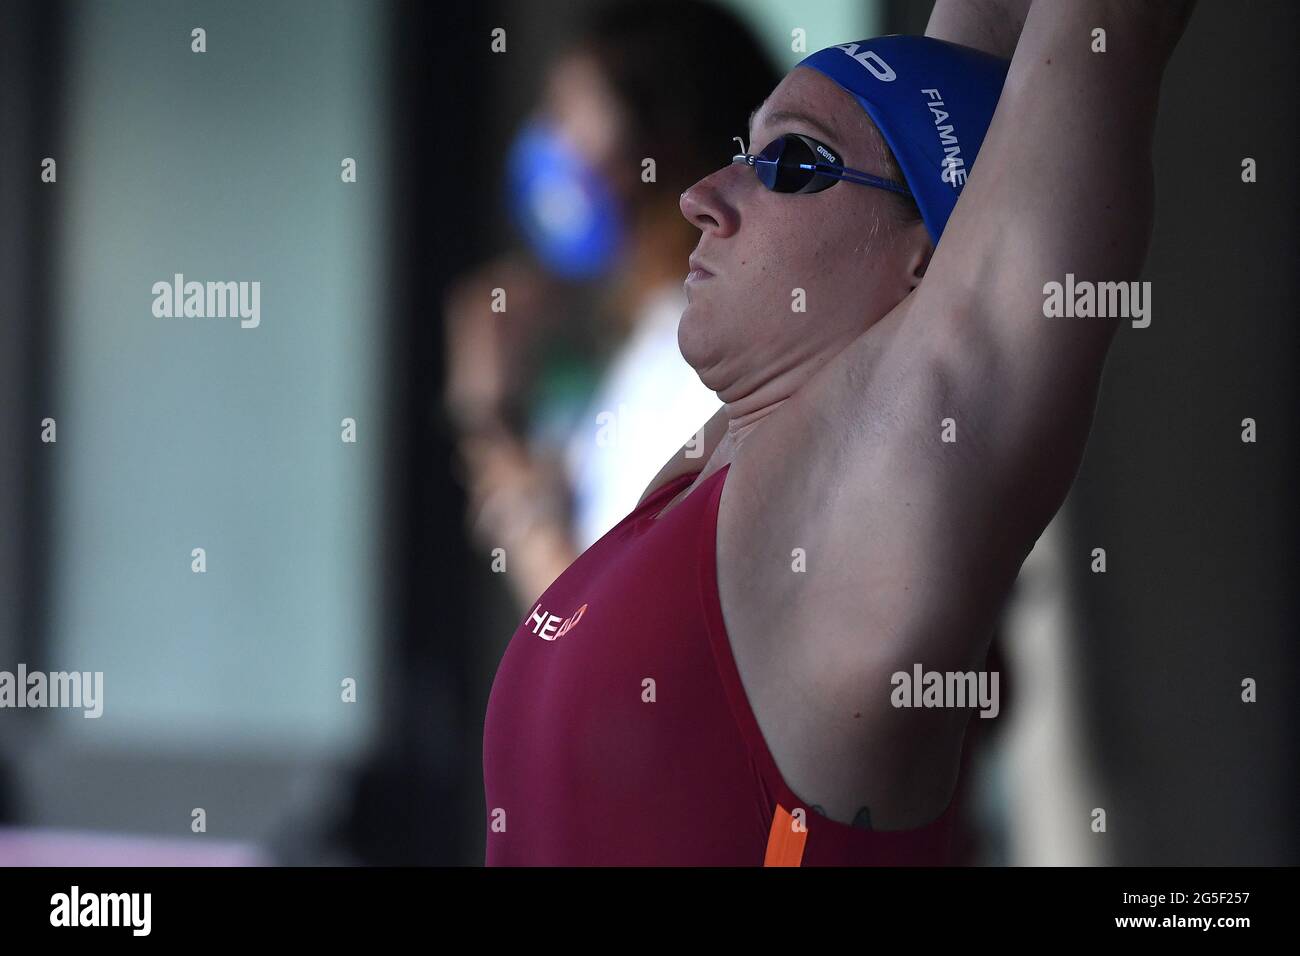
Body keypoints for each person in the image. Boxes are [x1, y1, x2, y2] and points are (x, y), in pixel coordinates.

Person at [483, 0, 1196, 865]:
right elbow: (974, 55)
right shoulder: (721, 463)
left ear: (932, 266)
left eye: (787, 161)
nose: (702, 196)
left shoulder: (876, 488)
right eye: (744, 152)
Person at [445, 0, 779, 609]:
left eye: (568, 112)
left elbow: (588, 633)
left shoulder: (700, 362)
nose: (546, 142)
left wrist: (490, 419)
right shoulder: (655, 334)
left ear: (661, 143)